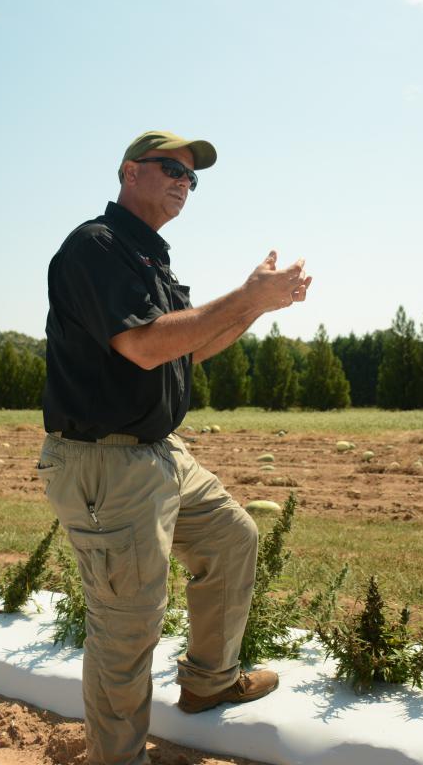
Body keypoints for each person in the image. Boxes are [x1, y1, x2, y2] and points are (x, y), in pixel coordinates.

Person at [39, 130, 311, 765]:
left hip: (159, 453)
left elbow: (188, 346)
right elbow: (143, 346)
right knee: (128, 622)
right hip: (105, 461)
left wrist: (255, 309)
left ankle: (207, 684)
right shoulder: (96, 248)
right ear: (130, 172)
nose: (183, 183)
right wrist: (244, 296)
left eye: (192, 177)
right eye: (171, 169)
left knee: (231, 538)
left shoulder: (150, 258)